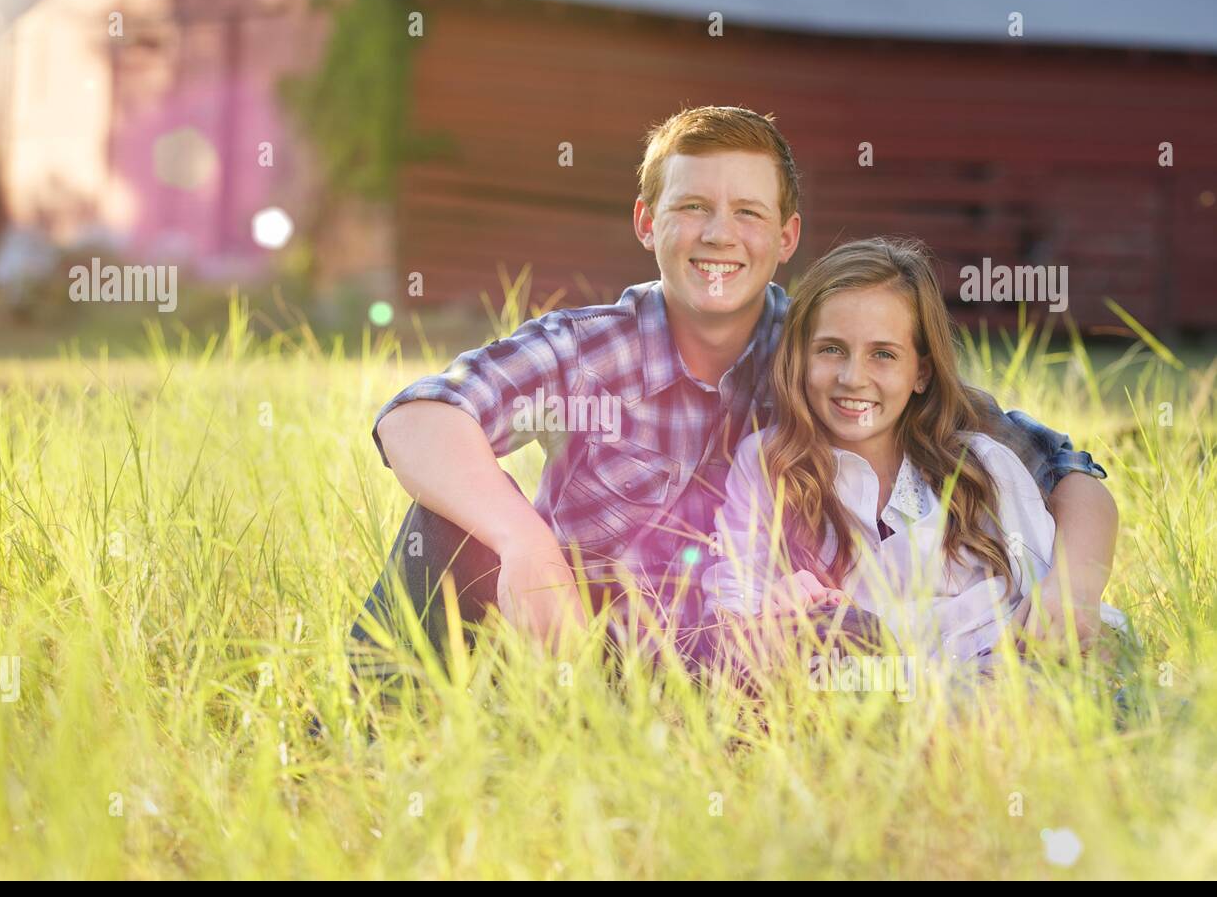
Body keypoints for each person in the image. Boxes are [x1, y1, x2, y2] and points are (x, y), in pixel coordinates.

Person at [354, 105, 1117, 675]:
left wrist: (1071, 593)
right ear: (648, 222)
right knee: (447, 524)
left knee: (851, 637)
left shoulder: (827, 361)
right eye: (692, 207)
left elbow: (1063, 472)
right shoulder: (589, 348)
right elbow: (420, 417)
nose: (720, 235)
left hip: (735, 658)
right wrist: (525, 542)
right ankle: (367, 748)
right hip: (572, 644)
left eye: (748, 212)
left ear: (785, 239)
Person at [699, 237, 1126, 679]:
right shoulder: (771, 462)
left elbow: (1051, 607)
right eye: (831, 349)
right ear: (799, 356)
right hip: (860, 676)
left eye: (883, 354)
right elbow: (734, 591)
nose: (852, 377)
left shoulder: (981, 460)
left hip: (991, 667)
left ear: (921, 372)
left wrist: (1068, 598)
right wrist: (777, 601)